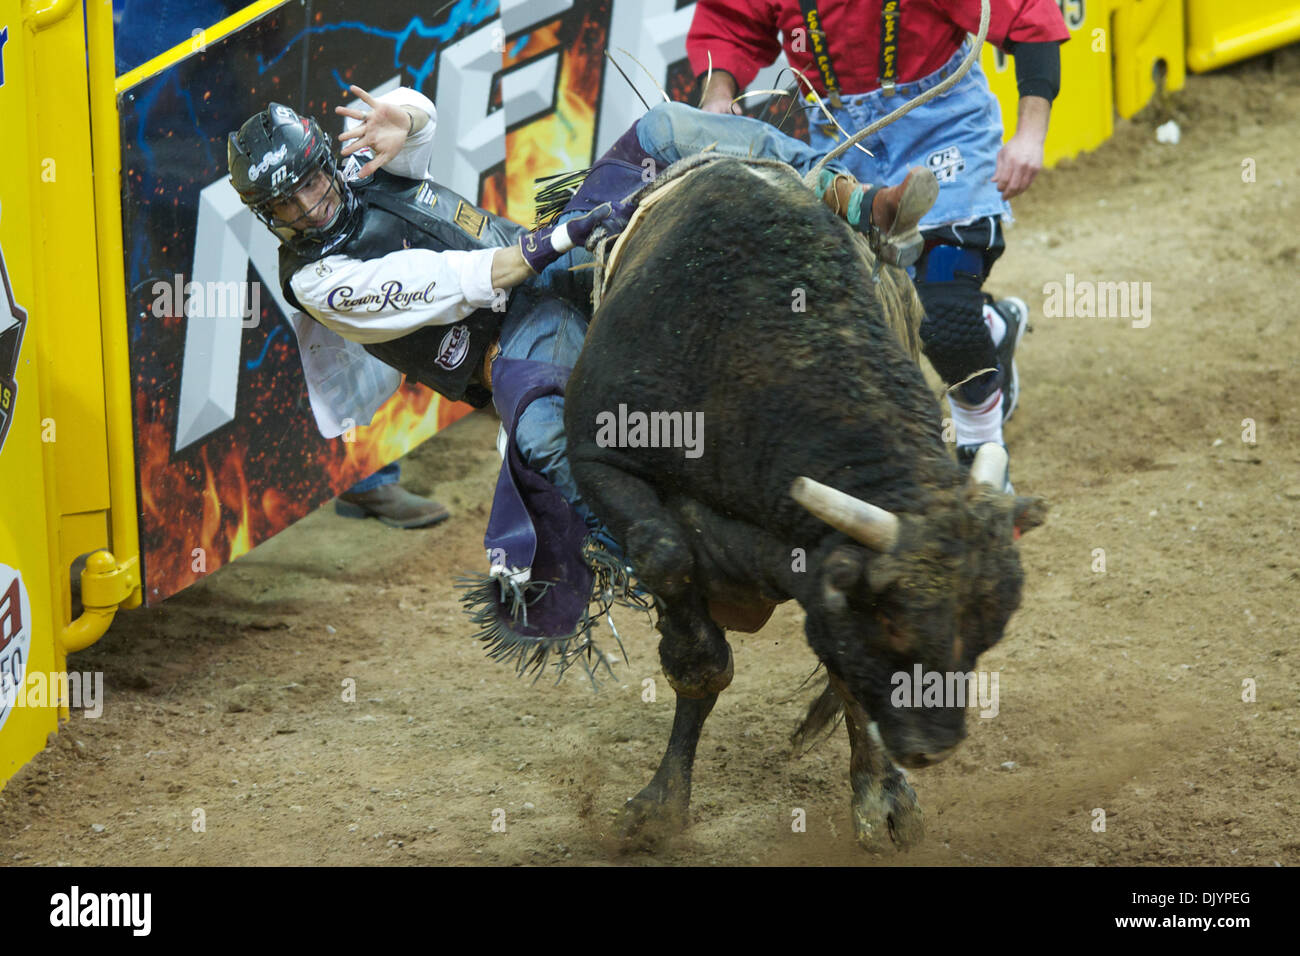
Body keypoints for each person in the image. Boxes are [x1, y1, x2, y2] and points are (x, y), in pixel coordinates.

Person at [227, 85, 932, 670]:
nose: (309, 206)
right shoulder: (321, 280)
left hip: (549, 261)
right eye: (286, 206)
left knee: (662, 129)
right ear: (269, 217)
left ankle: (850, 198)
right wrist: (572, 232)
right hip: (510, 338)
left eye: (313, 183)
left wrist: (406, 119)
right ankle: (671, 571)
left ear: (328, 161)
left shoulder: (359, 176)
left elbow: (420, 130)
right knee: (547, 441)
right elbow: (464, 279)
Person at [687, 0, 1070, 489]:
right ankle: (990, 328)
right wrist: (718, 94)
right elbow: (731, 22)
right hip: (842, 144)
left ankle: (982, 451)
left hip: (943, 129)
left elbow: (1029, 18)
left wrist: (1031, 136)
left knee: (944, 313)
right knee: (867, 316)